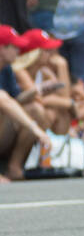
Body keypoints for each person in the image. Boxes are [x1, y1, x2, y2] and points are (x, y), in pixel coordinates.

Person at [0, 25, 51, 180]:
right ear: (2, 48)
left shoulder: (6, 68)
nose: (19, 50)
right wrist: (36, 129)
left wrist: (34, 92)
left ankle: (14, 166)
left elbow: (15, 100)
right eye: (14, 47)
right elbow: (4, 99)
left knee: (35, 109)